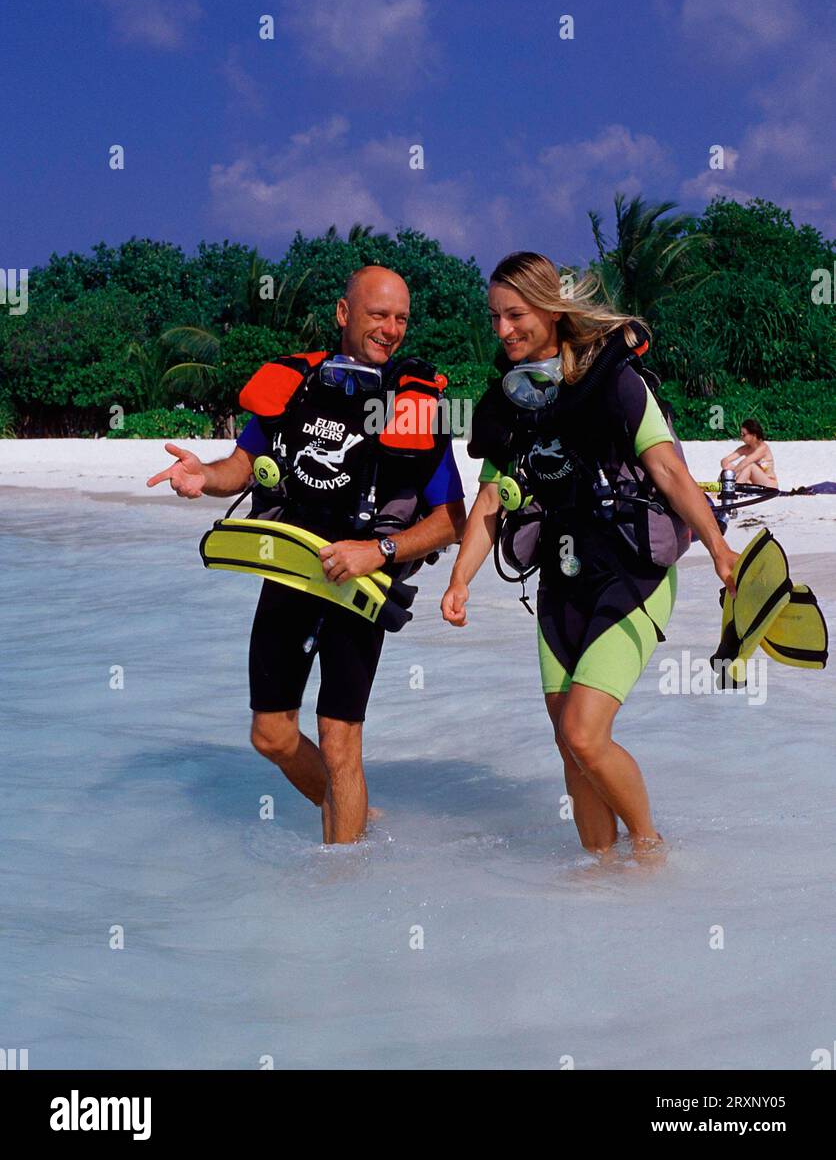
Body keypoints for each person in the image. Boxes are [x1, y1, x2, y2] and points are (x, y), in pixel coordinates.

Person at [148, 266, 466, 844]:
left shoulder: (416, 403)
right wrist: (203, 477)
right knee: (270, 734)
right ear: (344, 315)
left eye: (400, 319)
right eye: (377, 315)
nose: (390, 329)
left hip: (360, 585)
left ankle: (341, 878)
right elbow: (240, 467)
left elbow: (453, 520)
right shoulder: (296, 384)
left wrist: (380, 551)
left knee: (339, 736)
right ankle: (354, 818)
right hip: (290, 570)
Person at [441, 251, 737, 858]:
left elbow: (670, 471)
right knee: (565, 741)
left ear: (551, 308)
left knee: (585, 731)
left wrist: (719, 549)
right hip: (563, 580)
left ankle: (651, 851)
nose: (503, 330)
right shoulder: (506, 403)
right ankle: (599, 878)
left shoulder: (613, 379)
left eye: (516, 314)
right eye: (495, 316)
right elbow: (491, 501)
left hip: (632, 572)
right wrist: (459, 580)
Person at [721, 420, 778, 488]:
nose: (741, 437)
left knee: (750, 465)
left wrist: (732, 474)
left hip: (769, 483)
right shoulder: (746, 448)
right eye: (741, 434)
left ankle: (734, 488)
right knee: (729, 466)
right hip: (754, 482)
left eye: (744, 435)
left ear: (754, 435)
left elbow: (746, 462)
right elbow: (726, 460)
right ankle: (726, 486)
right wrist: (726, 466)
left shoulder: (763, 448)